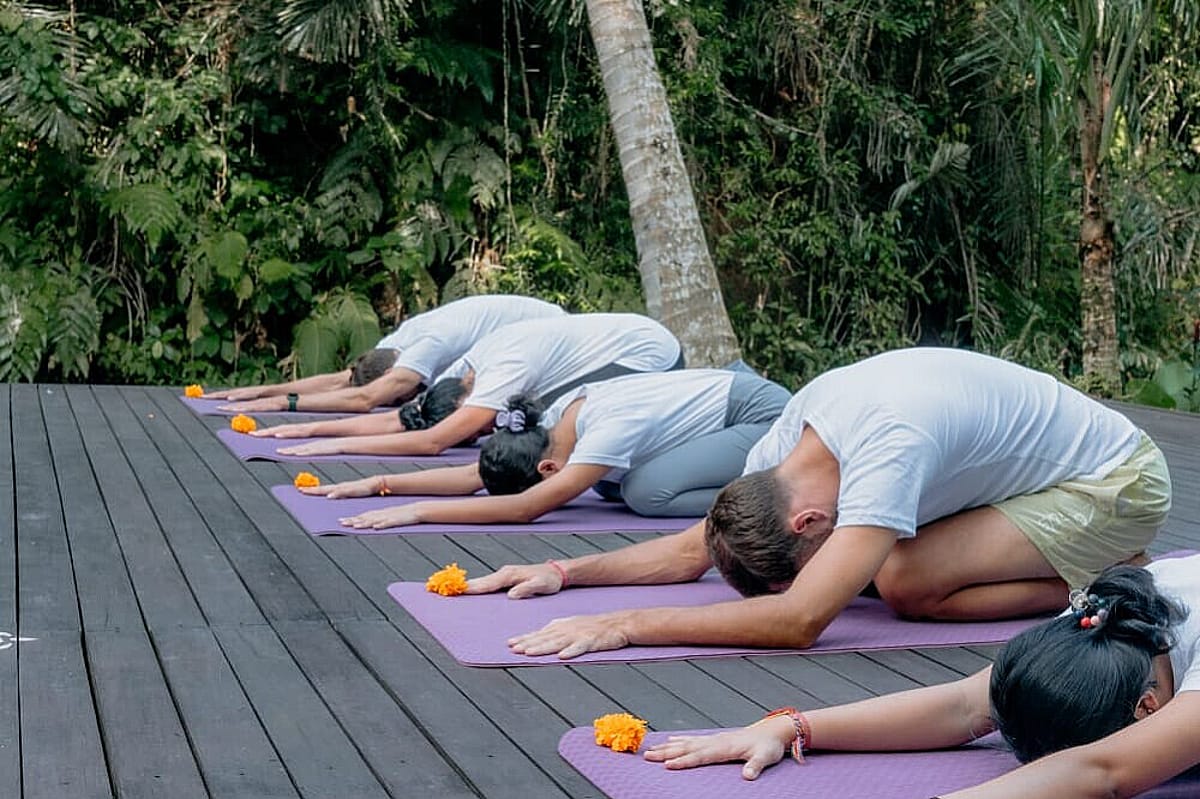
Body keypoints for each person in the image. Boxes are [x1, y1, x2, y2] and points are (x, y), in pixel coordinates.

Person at [466, 348, 1171, 660]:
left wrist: (628, 625)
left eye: (805, 559)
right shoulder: (778, 454)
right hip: (1026, 475)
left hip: (1114, 480)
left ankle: (1108, 568)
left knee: (901, 581)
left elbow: (802, 620)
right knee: (881, 565)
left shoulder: (885, 452)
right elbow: (694, 549)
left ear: (806, 524)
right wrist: (565, 574)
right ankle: (1075, 553)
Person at [641, 555, 1200, 799]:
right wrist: (791, 727)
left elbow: (1105, 772)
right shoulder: (1102, 620)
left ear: (1146, 711)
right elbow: (963, 706)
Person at [299, 368, 790, 529]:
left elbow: (526, 507)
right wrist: (381, 485)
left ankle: (771, 493)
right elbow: (477, 478)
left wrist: (419, 513)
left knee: (642, 492)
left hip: (759, 415)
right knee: (616, 488)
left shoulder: (602, 431)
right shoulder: (544, 425)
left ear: (550, 465)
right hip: (712, 421)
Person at [251, 312, 684, 458]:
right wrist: (307, 427)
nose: (482, 431)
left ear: (468, 402)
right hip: (604, 342)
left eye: (475, 427)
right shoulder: (459, 374)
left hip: (649, 355)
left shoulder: (500, 375)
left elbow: (431, 443)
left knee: (560, 429)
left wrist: (333, 446)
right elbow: (407, 422)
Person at [206, 293, 565, 412]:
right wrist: (259, 391)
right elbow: (344, 381)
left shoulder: (425, 349)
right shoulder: (395, 343)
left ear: (399, 378)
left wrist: (287, 404)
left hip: (551, 338)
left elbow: (363, 400)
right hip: (521, 330)